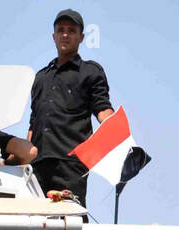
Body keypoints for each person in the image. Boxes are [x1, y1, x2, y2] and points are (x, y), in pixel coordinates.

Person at [28, 9, 114, 205]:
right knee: (37, 223)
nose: (65, 35)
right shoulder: (41, 77)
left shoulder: (89, 72)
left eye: (71, 30)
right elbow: (33, 124)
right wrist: (24, 160)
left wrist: (115, 129)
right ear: (54, 36)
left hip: (70, 165)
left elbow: (102, 108)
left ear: (81, 37)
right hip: (37, 166)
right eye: (61, 30)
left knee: (70, 221)